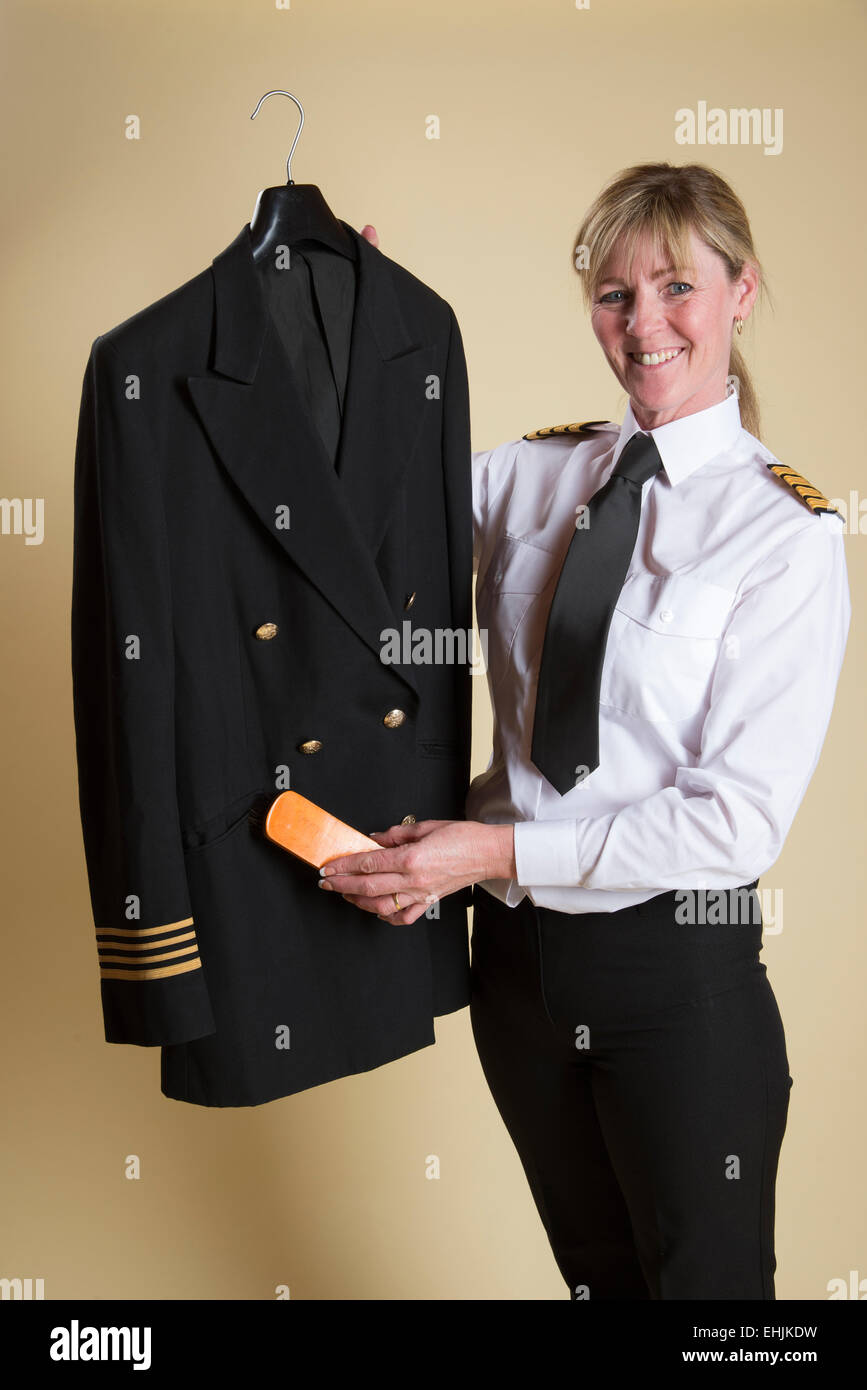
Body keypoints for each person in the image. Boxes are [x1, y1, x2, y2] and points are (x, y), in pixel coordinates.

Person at [317, 163, 850, 1299]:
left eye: (675, 288)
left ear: (741, 292)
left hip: (676, 981)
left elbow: (734, 823)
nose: (643, 324)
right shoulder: (531, 476)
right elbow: (352, 514)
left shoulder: (786, 536)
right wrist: (340, 325)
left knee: (713, 1308)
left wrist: (487, 849)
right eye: (613, 295)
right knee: (597, 1284)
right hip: (517, 972)